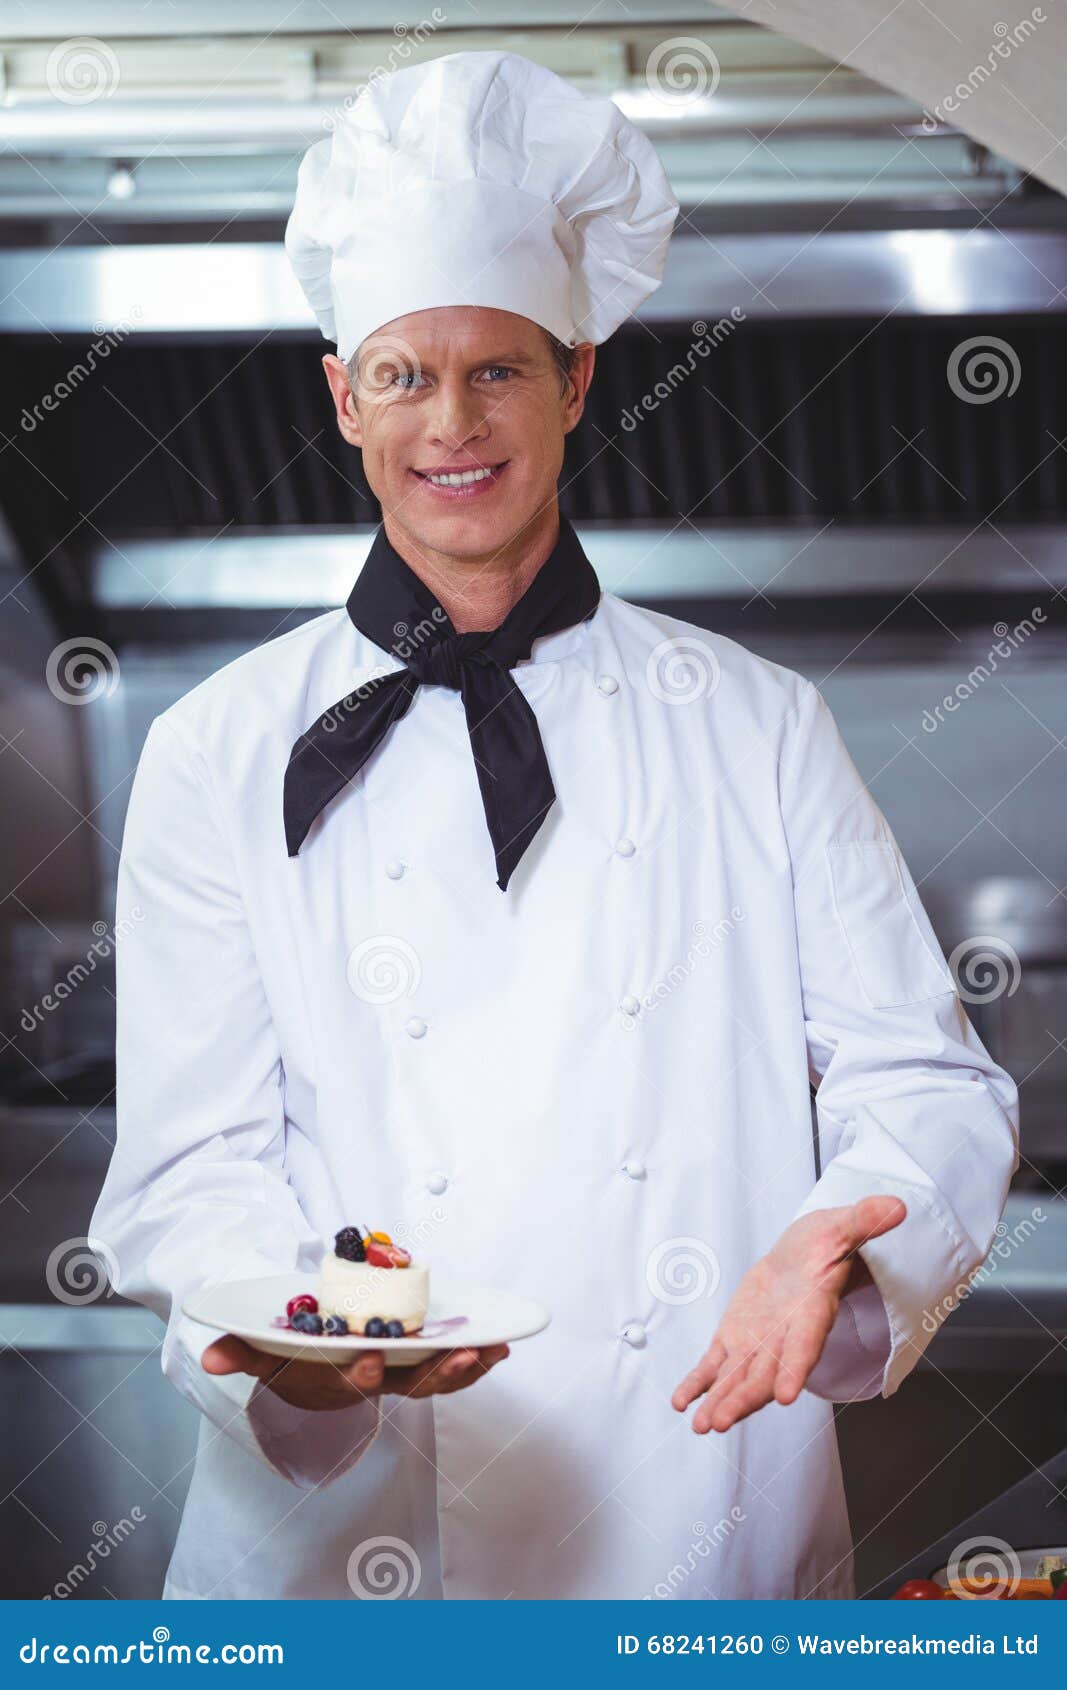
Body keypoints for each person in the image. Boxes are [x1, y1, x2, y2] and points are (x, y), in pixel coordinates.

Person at [89, 48, 1018, 1601]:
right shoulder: (217, 748)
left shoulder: (757, 723)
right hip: (339, 1561)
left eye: (499, 369)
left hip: (695, 1516)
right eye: (402, 372)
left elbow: (924, 1078)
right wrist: (300, 1345)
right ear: (341, 399)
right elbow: (192, 1165)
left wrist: (843, 1241)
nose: (452, 421)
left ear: (579, 376)